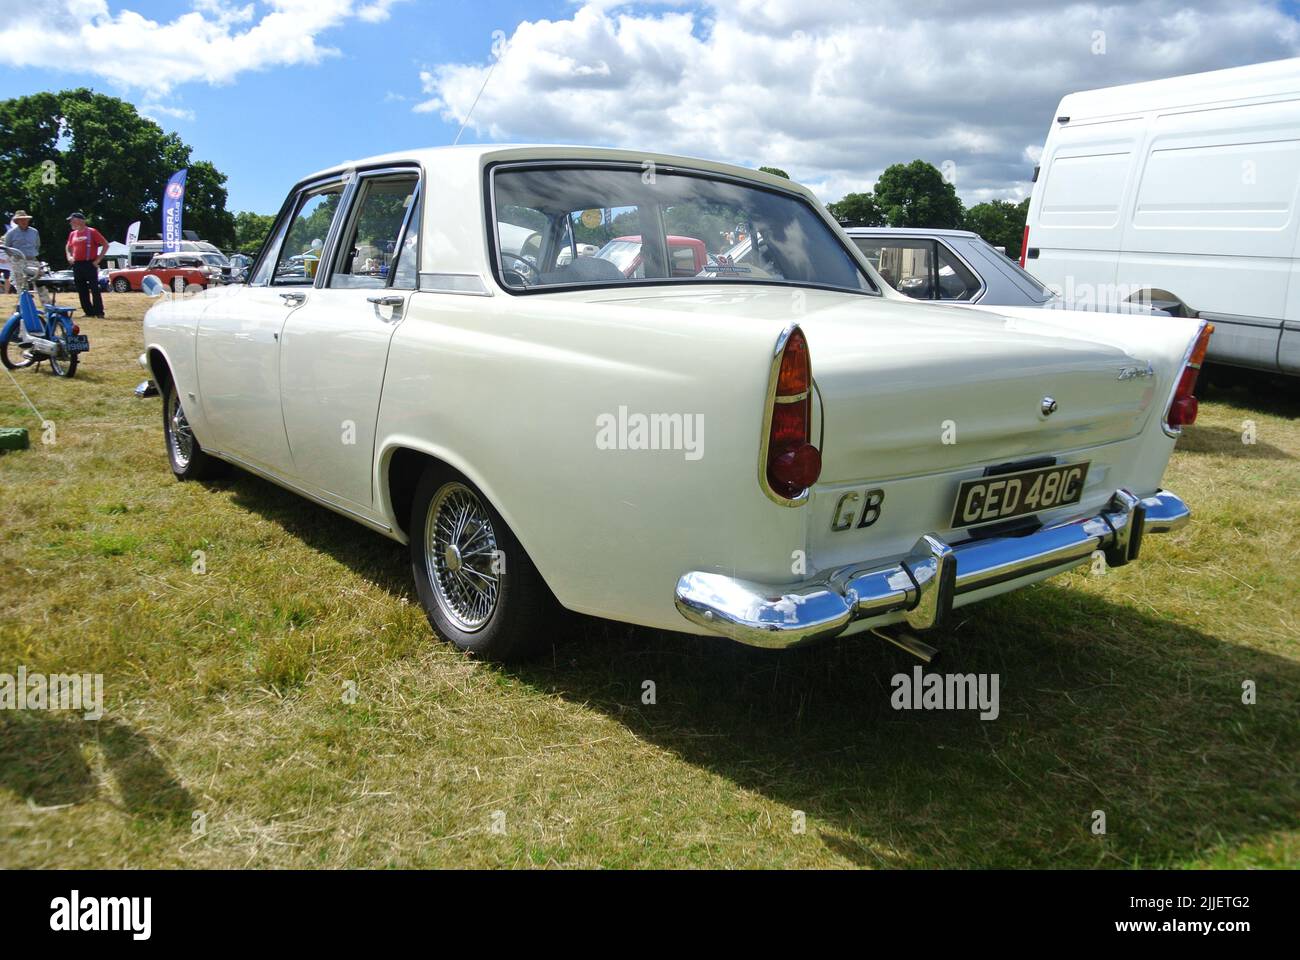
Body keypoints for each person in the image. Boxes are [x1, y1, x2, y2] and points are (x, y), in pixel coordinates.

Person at [65, 212, 106, 319]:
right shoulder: (72, 234)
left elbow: (105, 245)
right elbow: (68, 247)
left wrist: (98, 260)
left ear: (80, 220)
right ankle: (88, 311)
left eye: (72, 220)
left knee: (94, 288)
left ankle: (99, 312)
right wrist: (69, 256)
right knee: (81, 289)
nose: (71, 223)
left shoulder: (92, 232)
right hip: (77, 264)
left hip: (90, 263)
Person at [4, 210, 40, 293]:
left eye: (25, 219)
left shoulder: (34, 232)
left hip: (32, 258)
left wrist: (32, 253)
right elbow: (7, 248)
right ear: (17, 221)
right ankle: (24, 302)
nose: (24, 221)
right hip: (18, 260)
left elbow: (37, 245)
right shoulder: (11, 233)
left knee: (39, 279)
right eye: (21, 219)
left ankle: (46, 303)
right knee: (20, 282)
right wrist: (14, 257)